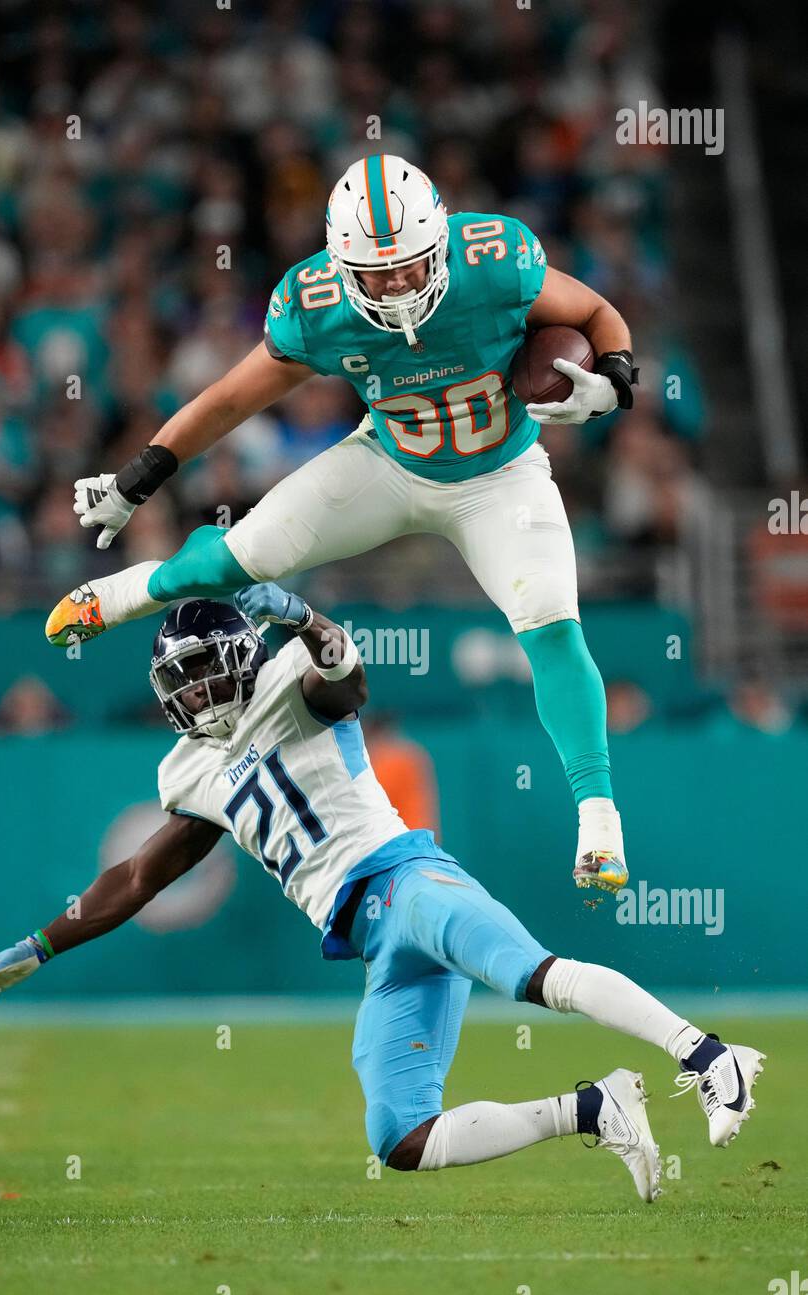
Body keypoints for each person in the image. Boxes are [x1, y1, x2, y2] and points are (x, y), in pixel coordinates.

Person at [0, 583, 764, 1199]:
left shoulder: (289, 679)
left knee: (534, 976)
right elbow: (139, 876)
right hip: (373, 939)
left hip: (405, 879)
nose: (193, 692)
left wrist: (307, 618)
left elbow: (348, 683)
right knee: (400, 1138)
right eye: (179, 679)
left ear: (244, 655)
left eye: (203, 668)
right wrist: (44, 943)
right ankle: (594, 1111)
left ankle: (709, 1054)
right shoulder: (187, 770)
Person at [46, 155, 638, 895]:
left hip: (501, 475)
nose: (396, 285)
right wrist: (142, 475)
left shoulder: (496, 259)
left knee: (551, 625)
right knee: (243, 556)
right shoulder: (315, 304)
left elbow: (595, 314)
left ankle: (599, 822)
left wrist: (613, 382)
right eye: (376, 272)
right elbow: (233, 399)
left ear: (442, 242)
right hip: (388, 461)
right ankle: (131, 592)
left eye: (412, 265)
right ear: (339, 261)